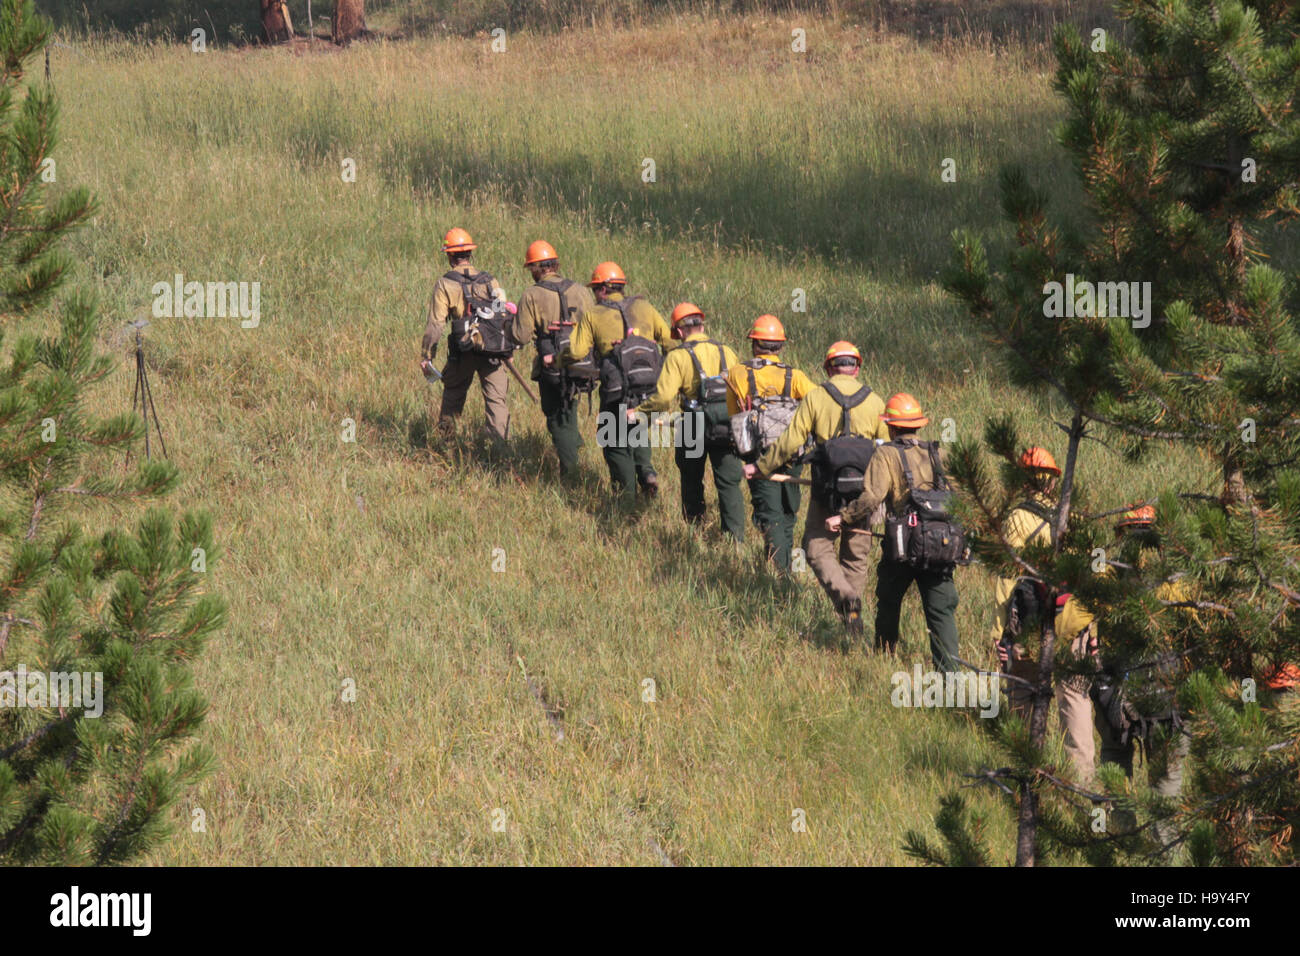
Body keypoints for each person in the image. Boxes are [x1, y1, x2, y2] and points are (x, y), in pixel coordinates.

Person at [745, 341, 888, 639]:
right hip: (865, 494)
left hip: (826, 490)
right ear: (858, 367)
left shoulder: (815, 397)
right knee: (856, 555)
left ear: (827, 367)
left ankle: (845, 601)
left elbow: (790, 440)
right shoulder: (875, 401)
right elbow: (888, 452)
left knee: (815, 546)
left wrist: (763, 467)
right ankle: (852, 619)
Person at [830, 392, 961, 671]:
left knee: (889, 603)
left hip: (902, 546)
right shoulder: (940, 453)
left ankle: (884, 660)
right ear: (919, 424)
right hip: (940, 545)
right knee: (941, 613)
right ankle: (950, 676)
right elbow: (962, 500)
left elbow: (871, 498)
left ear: (890, 426)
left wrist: (843, 518)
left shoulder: (886, 454)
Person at [563, 261, 674, 503]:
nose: (594, 295)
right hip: (648, 386)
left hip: (616, 389)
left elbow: (576, 350)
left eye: (594, 290)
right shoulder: (644, 307)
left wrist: (558, 359)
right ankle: (646, 472)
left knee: (614, 443)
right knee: (639, 428)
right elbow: (670, 342)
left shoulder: (594, 314)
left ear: (603, 289)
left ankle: (626, 498)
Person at [635, 303, 744, 538]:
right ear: (702, 325)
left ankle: (695, 530)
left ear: (679, 331)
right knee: (728, 483)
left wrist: (640, 413)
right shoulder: (728, 351)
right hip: (727, 424)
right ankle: (734, 540)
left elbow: (663, 398)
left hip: (692, 426)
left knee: (691, 478)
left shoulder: (677, 356)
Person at [726, 315, 813, 572]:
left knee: (770, 514)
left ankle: (780, 573)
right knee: (788, 512)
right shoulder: (795, 376)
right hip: (793, 453)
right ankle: (784, 566)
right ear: (780, 346)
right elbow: (816, 407)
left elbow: (735, 417)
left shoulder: (738, 373)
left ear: (754, 344)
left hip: (760, 455)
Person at [511, 240, 596, 480]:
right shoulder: (580, 290)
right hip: (583, 363)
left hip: (552, 366)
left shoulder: (532, 295)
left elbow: (521, 336)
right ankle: (573, 443)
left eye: (531, 269)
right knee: (568, 409)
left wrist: (509, 324)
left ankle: (571, 475)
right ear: (555, 264)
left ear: (536, 268)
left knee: (557, 418)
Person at [420, 228, 511, 441]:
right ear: (470, 254)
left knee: (453, 394)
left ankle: (447, 444)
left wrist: (427, 356)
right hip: (493, 349)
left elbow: (436, 325)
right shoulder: (490, 281)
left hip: (464, 351)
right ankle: (500, 451)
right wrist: (507, 350)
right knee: (497, 401)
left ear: (450, 256)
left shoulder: (446, 283)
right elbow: (502, 314)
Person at [992, 447, 1062, 717]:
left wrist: (998, 632)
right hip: (1066, 621)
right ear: (1053, 481)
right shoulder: (1071, 517)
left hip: (1030, 619)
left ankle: (1027, 755)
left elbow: (1008, 575)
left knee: (1021, 691)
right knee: (1071, 698)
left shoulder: (1017, 518)